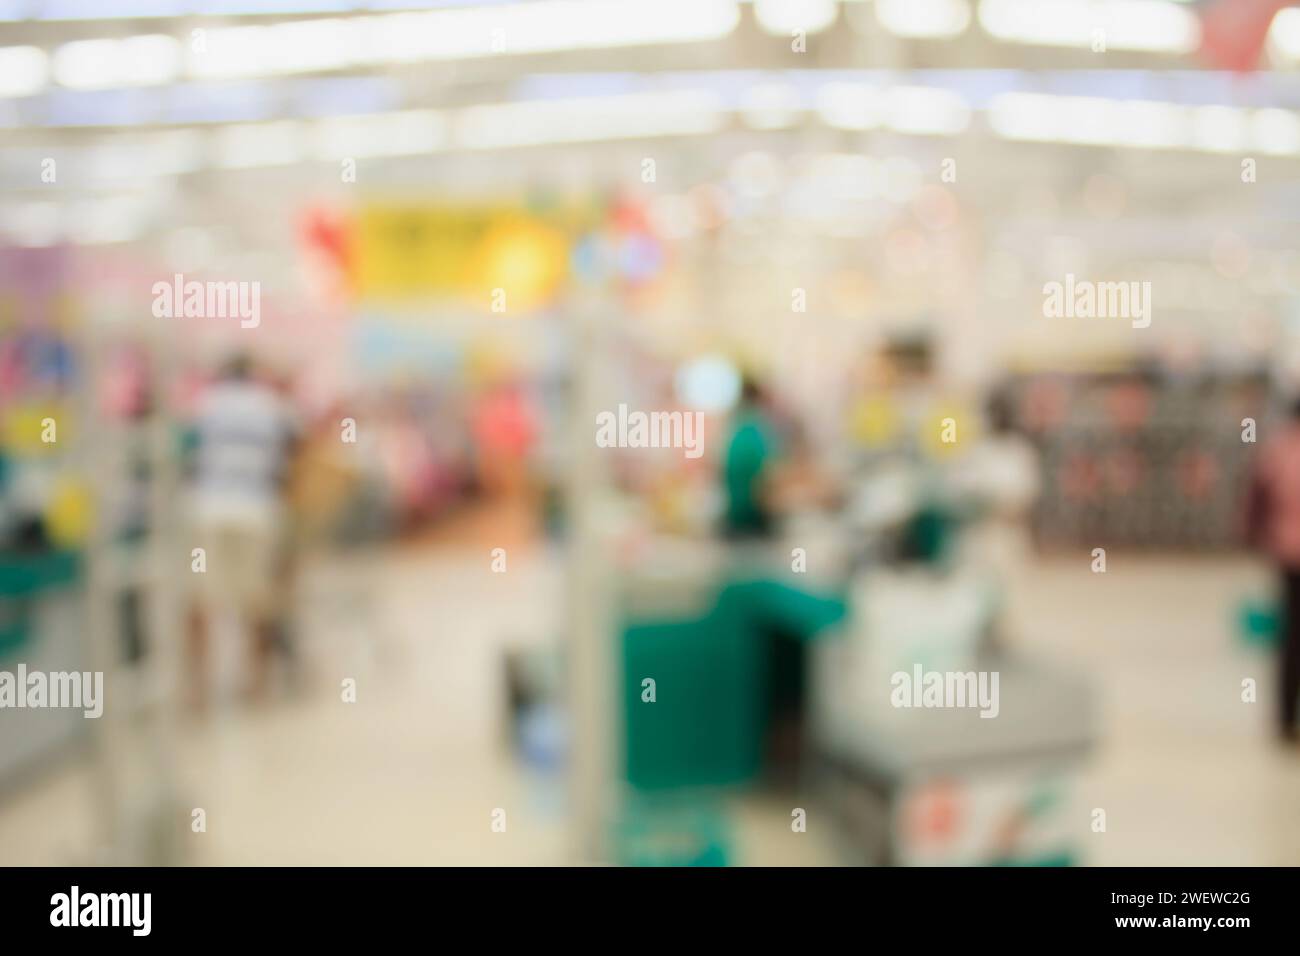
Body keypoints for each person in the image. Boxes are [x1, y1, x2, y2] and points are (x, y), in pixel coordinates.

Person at [185, 353, 300, 708]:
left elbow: (187, 455)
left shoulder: (204, 405)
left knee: (200, 598)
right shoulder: (273, 407)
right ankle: (256, 684)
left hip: (208, 510)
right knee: (258, 600)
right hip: (257, 511)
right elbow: (293, 454)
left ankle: (199, 688)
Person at [1247, 397, 1300, 742]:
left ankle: (1284, 719)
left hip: (1287, 555)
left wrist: (1256, 539)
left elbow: (1256, 500)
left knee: (1290, 638)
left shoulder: (1277, 449)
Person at [721, 377, 781, 538]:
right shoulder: (756, 432)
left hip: (735, 516)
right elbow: (767, 478)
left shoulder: (735, 430)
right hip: (752, 519)